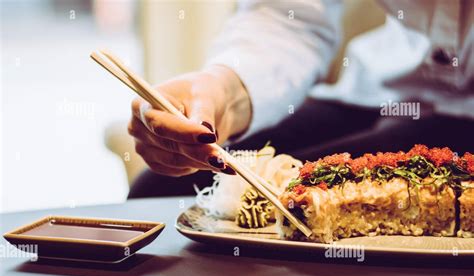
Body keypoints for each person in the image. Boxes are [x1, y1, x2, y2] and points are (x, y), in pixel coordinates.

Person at [127, 0, 474, 198]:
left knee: (294, 198)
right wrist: (222, 91)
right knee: (162, 189)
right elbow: (291, 17)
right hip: (385, 87)